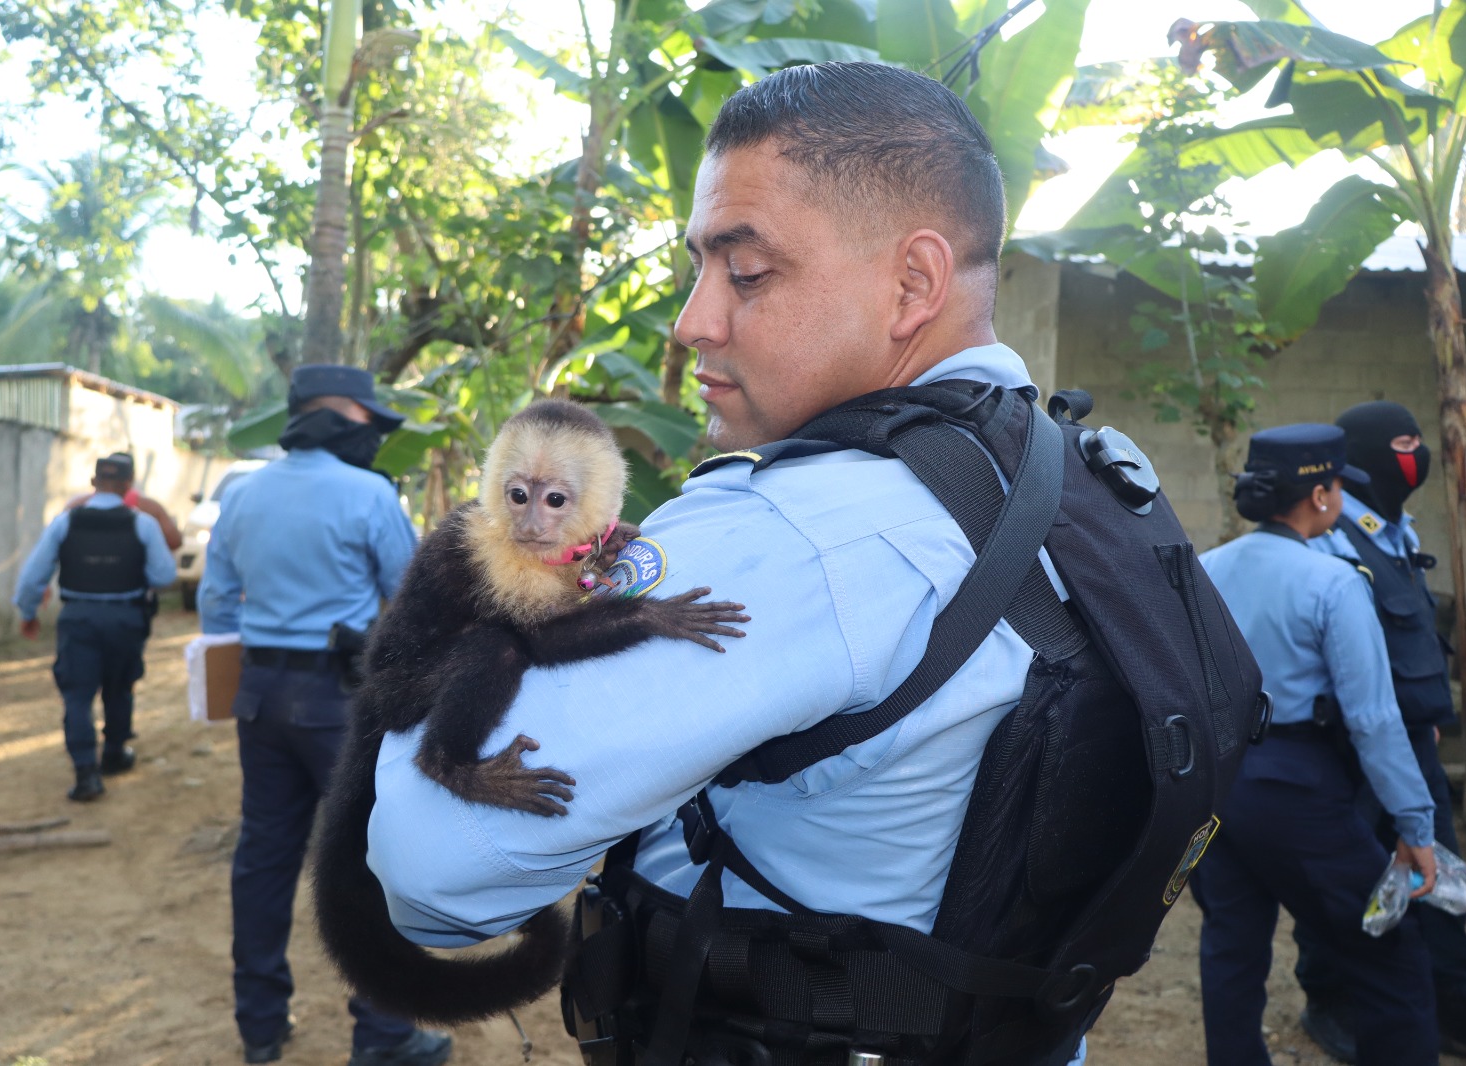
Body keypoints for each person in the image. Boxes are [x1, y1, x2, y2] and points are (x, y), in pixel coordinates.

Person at [363, 62, 1118, 1065]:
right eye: (696, 269)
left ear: (912, 284)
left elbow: (428, 871)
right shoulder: (1086, 472)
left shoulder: (795, 530)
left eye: (746, 273)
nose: (691, 321)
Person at [197, 364, 450, 1066]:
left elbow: (216, 604)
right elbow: (410, 598)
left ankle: (260, 1027)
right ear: (337, 414)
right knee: (365, 864)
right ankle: (384, 1034)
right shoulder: (367, 493)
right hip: (338, 704)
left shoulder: (240, 493)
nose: (375, 435)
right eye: (368, 419)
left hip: (259, 696)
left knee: (264, 858)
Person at [1192, 423, 1440, 1066]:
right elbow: (1374, 720)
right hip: (1297, 784)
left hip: (1219, 783)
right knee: (1389, 948)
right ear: (1323, 496)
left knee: (1232, 950)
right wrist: (1415, 824)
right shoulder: (1334, 582)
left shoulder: (1207, 569)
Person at [1294, 400, 1466, 1061]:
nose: (1418, 455)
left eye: (1420, 441)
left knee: (1436, 874)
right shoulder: (1333, 534)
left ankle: (1452, 1002)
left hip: (1410, 739)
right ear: (1365, 457)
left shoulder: (1400, 531)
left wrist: (1425, 726)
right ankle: (1329, 1000)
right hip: (1349, 743)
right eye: (1404, 443)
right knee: (1349, 878)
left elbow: (1415, 637)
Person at [12, 452, 177, 801]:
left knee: (77, 695)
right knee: (120, 687)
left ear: (93, 482)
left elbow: (31, 579)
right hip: (126, 618)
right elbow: (164, 575)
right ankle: (115, 754)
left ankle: (86, 774)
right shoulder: (142, 523)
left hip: (79, 618)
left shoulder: (66, 521)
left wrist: (28, 613)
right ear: (128, 486)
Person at [65, 452, 184, 552]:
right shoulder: (150, 508)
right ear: (131, 478)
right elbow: (175, 542)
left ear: (95, 480)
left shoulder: (77, 505)